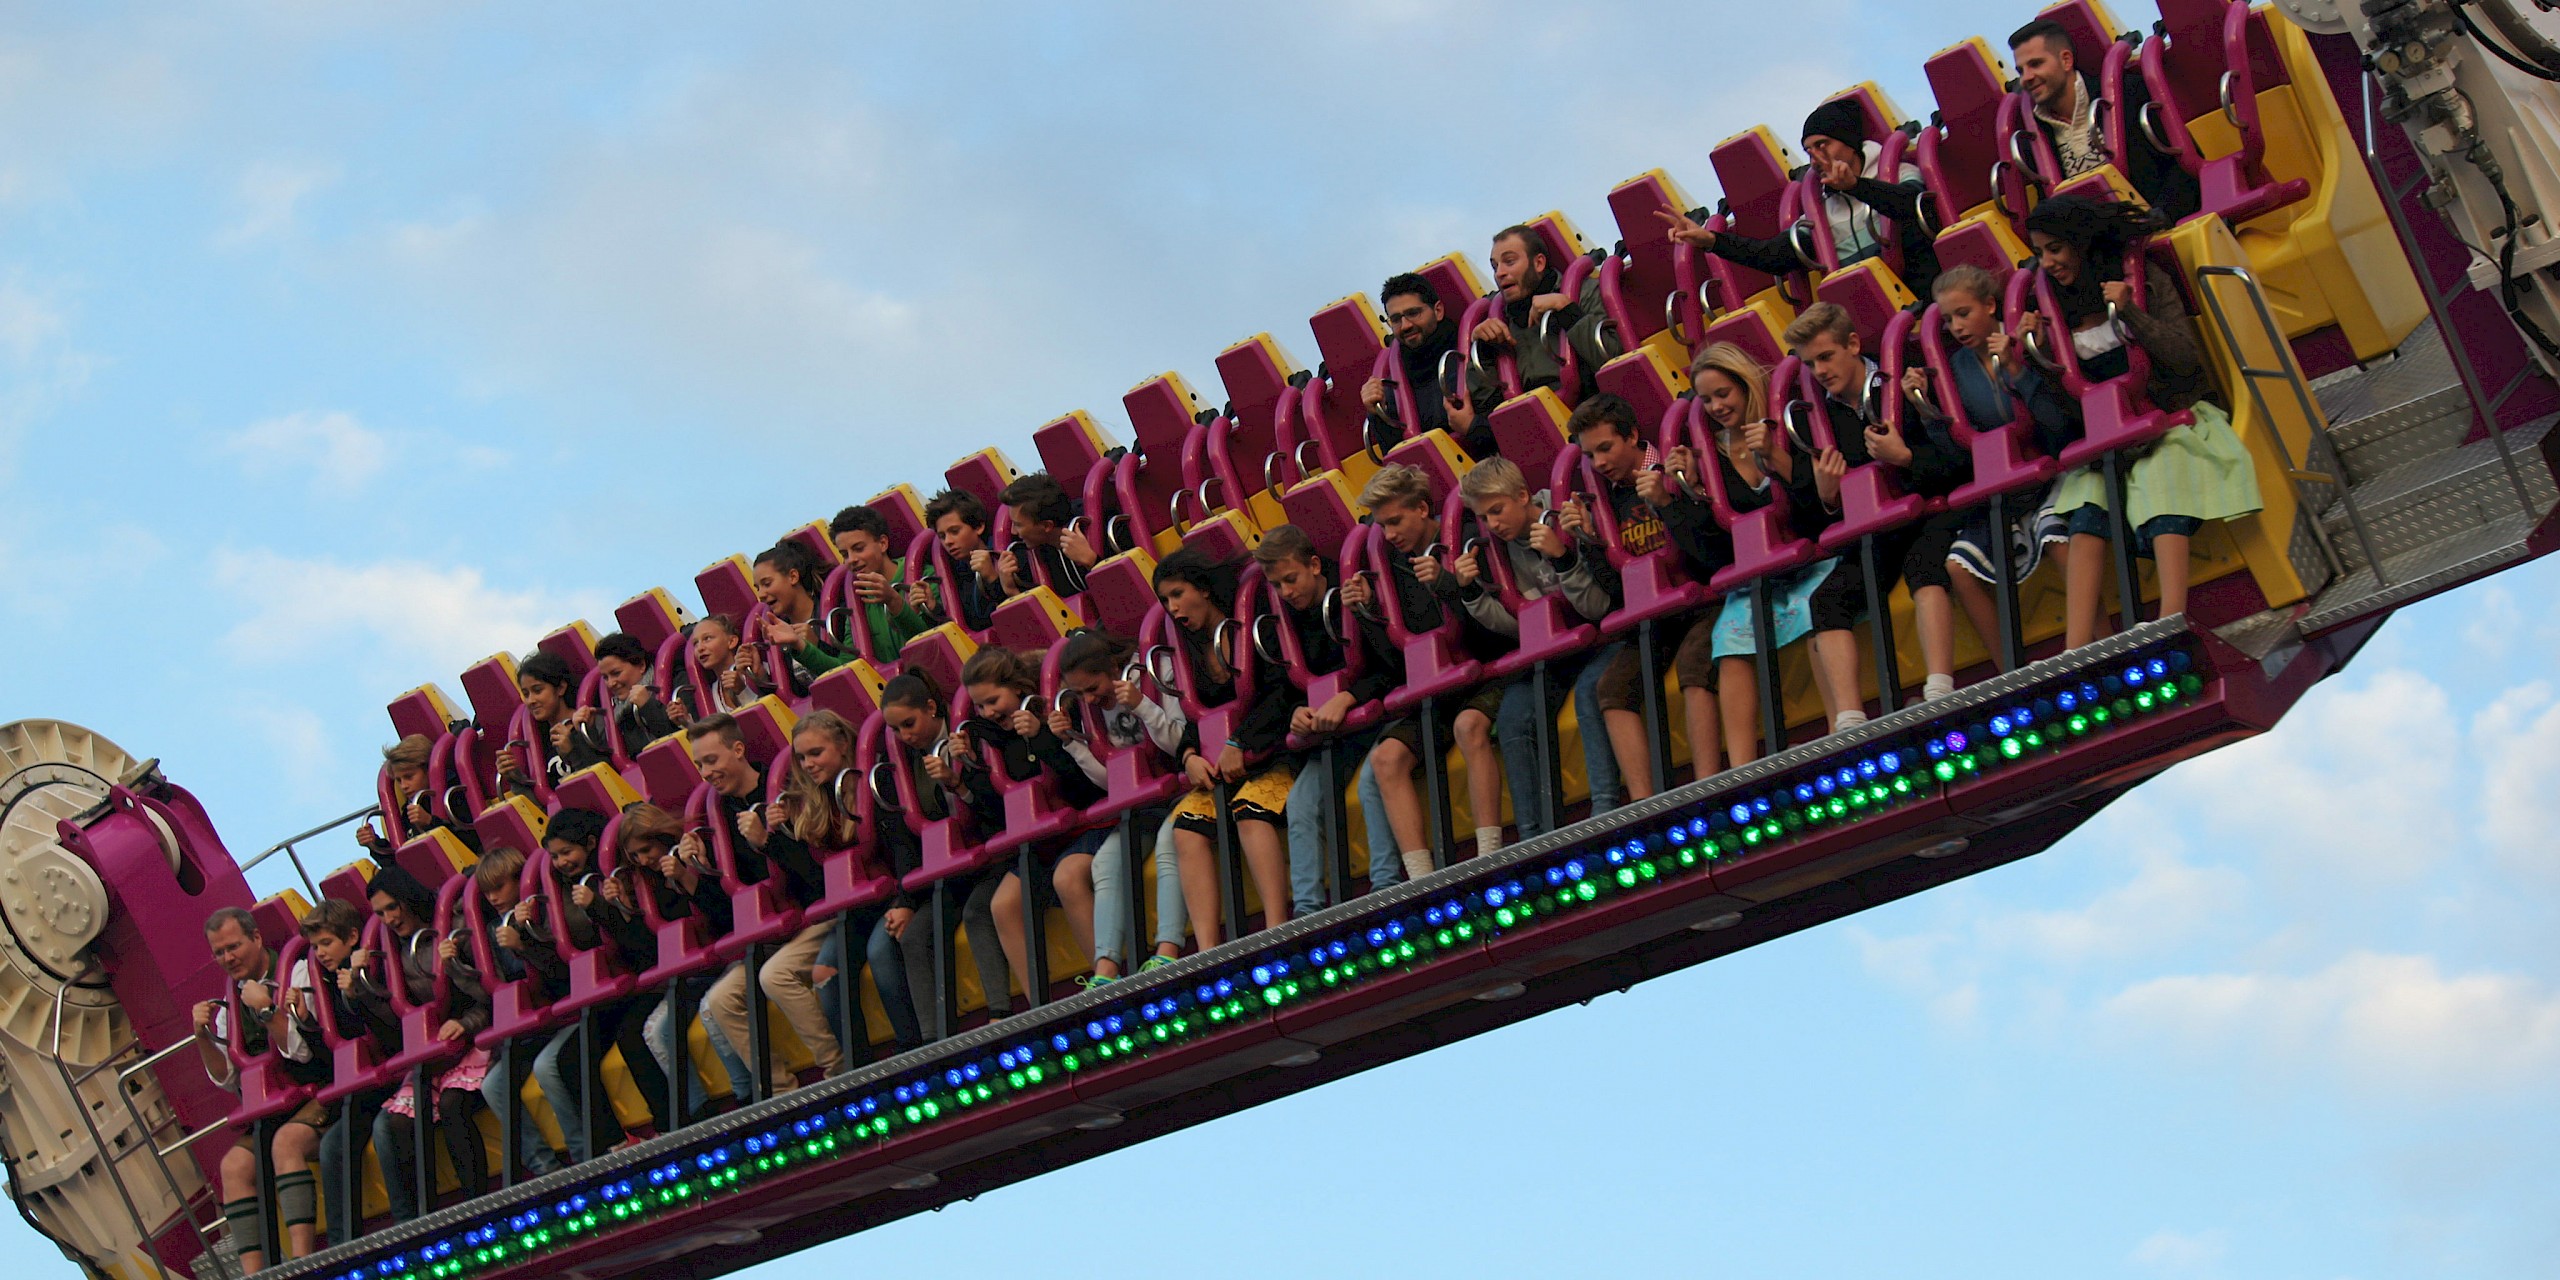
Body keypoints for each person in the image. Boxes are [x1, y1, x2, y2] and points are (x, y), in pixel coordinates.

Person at [2018, 196, 2261, 648]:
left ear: (2082, 243)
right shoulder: (2055, 311)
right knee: (2084, 504)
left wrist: (2131, 312)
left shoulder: (2143, 280)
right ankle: (2078, 646)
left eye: (2056, 249)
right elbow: (2063, 414)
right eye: (2040, 254)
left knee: (2160, 478)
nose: (2048, 263)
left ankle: (2171, 617)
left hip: (2172, 418)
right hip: (2110, 437)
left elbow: (2185, 359)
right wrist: (2035, 356)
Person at [1785, 300, 1976, 709]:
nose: (1820, 371)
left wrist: (1905, 457)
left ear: (1853, 344)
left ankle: (1940, 689)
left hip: (1931, 510)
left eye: (1826, 357)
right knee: (1828, 598)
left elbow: (1958, 462)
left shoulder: (1904, 380)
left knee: (1924, 564)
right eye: (1811, 364)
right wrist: (1827, 495)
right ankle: (1850, 719)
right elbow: (1811, 524)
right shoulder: (1815, 419)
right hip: (1878, 533)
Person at [1676, 343, 1849, 765]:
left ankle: (1840, 732)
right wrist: (1689, 493)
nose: (1717, 406)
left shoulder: (1788, 425)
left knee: (1814, 610)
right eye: (1708, 399)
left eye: (1724, 394)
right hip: (1759, 573)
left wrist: (1774, 456)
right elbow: (1714, 549)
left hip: (1810, 554)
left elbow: (1816, 509)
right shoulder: (1710, 456)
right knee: (1727, 638)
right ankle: (1741, 766)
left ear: (1745, 387)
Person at [1907, 265, 2075, 669]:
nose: (1957, 326)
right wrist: (1925, 410)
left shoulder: (2027, 339)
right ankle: (2010, 670)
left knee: (2054, 533)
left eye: (1964, 313)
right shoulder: (1956, 370)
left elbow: (2061, 425)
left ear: (1990, 304)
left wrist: (2018, 371)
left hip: (2052, 467)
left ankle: (2099, 642)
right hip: (2006, 487)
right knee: (1956, 565)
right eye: (1948, 320)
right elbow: (1962, 456)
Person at [1567, 392, 1736, 792]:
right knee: (1611, 687)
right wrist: (1590, 544)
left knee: (1695, 662)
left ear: (1632, 436)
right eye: (1591, 456)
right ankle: (1647, 802)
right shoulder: (1604, 499)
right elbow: (1617, 594)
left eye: (1606, 448)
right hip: (1656, 615)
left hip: (1704, 597)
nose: (1601, 463)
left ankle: (1709, 785)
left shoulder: (1678, 465)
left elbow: (1713, 553)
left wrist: (1666, 503)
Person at [1452, 457, 1623, 840]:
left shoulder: (1567, 513)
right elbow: (1520, 626)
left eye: (1497, 510)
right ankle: (1534, 838)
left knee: (1589, 694)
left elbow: (1598, 607)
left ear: (1524, 496)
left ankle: (1606, 812)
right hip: (1556, 653)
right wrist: (1471, 594)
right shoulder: (1500, 547)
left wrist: (1563, 559)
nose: (1493, 524)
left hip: (1604, 638)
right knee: (1513, 718)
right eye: (1484, 517)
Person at [1350, 464, 1508, 877]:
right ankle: (1421, 878)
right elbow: (1399, 661)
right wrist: (1370, 613)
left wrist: (1447, 584)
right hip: (1438, 689)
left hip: (1488, 669)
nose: (1388, 534)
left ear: (1423, 508)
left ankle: (1490, 855)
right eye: (1382, 526)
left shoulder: (1465, 538)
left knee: (1470, 726)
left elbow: (1490, 630)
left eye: (1395, 521)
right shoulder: (1392, 566)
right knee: (1386, 759)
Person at [690, 713, 841, 1095]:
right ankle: (782, 1094)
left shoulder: (784, 788)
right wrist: (694, 876)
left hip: (815, 915)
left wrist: (768, 841)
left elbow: (817, 876)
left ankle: (839, 1070)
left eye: (711, 760)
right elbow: (729, 911)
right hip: (771, 931)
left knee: (775, 975)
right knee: (722, 1001)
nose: (706, 772)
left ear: (738, 750)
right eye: (698, 765)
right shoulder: (718, 815)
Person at [1155, 548, 1299, 946]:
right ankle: (1207, 949)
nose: (1173, 607)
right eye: (1166, 601)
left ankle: (1276, 929)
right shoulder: (1191, 653)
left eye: (1178, 594)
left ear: (1203, 589)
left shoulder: (1253, 628)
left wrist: (1241, 742)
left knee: (1250, 809)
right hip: (1224, 769)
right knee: (1185, 828)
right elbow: (1193, 718)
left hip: (1274, 755)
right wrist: (1188, 757)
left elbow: (1282, 693)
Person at [1255, 523, 1400, 918]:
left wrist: (1350, 697)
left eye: (1291, 579)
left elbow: (1392, 665)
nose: (1287, 592)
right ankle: (1306, 913)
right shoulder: (1282, 623)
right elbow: (1281, 690)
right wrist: (1295, 715)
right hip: (1331, 735)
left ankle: (1386, 887)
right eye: (1278, 585)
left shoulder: (1349, 593)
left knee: (1372, 781)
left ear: (1315, 565)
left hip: (1380, 715)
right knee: (1301, 802)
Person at [1656, 99, 1938, 298]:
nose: (1815, 156)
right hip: (1867, 313)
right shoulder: (1821, 212)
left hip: (1923, 296)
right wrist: (1711, 240)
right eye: (1808, 149)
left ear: (1850, 143)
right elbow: (1772, 256)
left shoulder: (1898, 173)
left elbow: (1909, 206)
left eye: (1822, 144)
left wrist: (1856, 186)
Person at [951, 646, 1107, 998]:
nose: (989, 713)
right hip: (1041, 842)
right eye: (980, 707)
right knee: (1002, 904)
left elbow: (1079, 784)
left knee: (1068, 877)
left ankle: (1106, 980)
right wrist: (966, 775)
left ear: (1018, 689)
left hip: (1083, 825)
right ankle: (1040, 1004)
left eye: (994, 701)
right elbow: (998, 811)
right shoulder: (991, 738)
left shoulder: (1052, 712)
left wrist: (1041, 736)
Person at [349, 865, 495, 1223]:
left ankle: (480, 1209)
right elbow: (394, 1024)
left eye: (393, 907)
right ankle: (426, 1221)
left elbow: (489, 993)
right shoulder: (392, 952)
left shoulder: (453, 924)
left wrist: (464, 1023)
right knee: (399, 1122)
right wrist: (359, 991)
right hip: (436, 1055)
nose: (390, 918)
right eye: (381, 913)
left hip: (476, 1036)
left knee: (452, 1102)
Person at [778, 710, 926, 1053]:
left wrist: (905, 901)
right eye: (802, 758)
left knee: (880, 951)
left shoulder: (873, 783)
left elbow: (904, 848)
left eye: (816, 753)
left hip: (894, 896)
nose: (809, 764)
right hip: (856, 910)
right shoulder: (813, 803)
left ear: (844, 745)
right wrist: (776, 841)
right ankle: (858, 1068)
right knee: (823, 972)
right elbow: (818, 880)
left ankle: (913, 1049)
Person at [191, 906, 330, 1271]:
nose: (228, 958)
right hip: (274, 1108)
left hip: (320, 1090)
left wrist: (268, 1011)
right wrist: (202, 1037)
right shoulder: (229, 1004)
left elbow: (302, 1052)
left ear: (256, 938)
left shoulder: (296, 972)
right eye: (220, 952)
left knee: (286, 1142)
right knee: (234, 1166)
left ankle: (303, 1259)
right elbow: (226, 1078)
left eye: (234, 946)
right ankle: (255, 1273)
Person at [528, 808, 673, 1147]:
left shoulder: (619, 875)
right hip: (609, 991)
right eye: (555, 856)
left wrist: (600, 906)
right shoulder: (561, 895)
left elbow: (641, 945)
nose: (562, 862)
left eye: (568, 852)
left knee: (630, 1035)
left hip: (646, 978)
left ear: (591, 844)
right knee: (570, 1059)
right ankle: (614, 1144)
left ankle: (670, 1125)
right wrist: (527, 943)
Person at [1048, 630, 1188, 982]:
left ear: (1113, 667)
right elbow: (1113, 781)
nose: (1090, 699)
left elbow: (1178, 743)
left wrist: (1142, 704)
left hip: (1181, 788)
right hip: (1143, 805)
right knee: (1106, 862)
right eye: (1080, 694)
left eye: (1093, 688)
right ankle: (1106, 970)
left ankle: (1168, 950)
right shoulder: (1094, 711)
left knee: (1172, 842)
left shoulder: (1151, 672)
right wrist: (1071, 743)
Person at [883, 671, 1022, 1020]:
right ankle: (934, 1043)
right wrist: (906, 899)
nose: (905, 735)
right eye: (897, 730)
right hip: (952, 870)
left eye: (909, 723)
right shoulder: (905, 764)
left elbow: (999, 809)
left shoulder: (970, 734)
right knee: (913, 937)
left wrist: (959, 783)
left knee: (979, 911)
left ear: (932, 707)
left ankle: (1001, 1016)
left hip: (995, 855)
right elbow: (906, 841)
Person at [614, 804, 753, 1120]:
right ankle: (699, 1112)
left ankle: (747, 1093)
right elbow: (648, 949)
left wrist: (687, 878)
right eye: (634, 856)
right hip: (691, 972)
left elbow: (727, 914)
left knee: (711, 1010)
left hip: (727, 955)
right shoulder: (644, 885)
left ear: (662, 837)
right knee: (654, 1030)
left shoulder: (695, 851)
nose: (643, 860)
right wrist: (619, 910)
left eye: (646, 850)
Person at [2010, 18, 2202, 224]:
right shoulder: (2034, 141)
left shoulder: (2128, 95)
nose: (2026, 78)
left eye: (2036, 64)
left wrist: (2162, 215)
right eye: (2021, 71)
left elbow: (2184, 165)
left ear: (2066, 60)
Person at [466, 848, 579, 1175]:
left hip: (566, 1012)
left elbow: (561, 972)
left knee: (548, 1067)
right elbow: (491, 991)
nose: (493, 897)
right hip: (530, 1025)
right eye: (486, 891)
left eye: (499, 886)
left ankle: (584, 1152)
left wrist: (523, 945)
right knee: (493, 1085)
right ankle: (544, 1168)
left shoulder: (545, 908)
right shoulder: (492, 930)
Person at [301, 900, 393, 1249]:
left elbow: (386, 1027)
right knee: (333, 1145)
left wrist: (357, 994)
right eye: (315, 947)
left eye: (326, 943)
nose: (321, 953)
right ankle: (344, 1246)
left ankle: (408, 1225)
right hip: (362, 1086)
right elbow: (333, 1052)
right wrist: (308, 1023)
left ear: (352, 936)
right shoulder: (326, 984)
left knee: (384, 1130)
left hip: (389, 1075)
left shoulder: (376, 965)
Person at [1362, 272, 1499, 459]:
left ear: (1438, 310)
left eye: (1413, 313)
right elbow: (1399, 459)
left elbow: (1515, 429)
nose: (1405, 325)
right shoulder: (1393, 385)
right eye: (1395, 319)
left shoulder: (1474, 352)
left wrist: (1472, 427)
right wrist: (1377, 413)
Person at [1468, 225, 1613, 395]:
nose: (1499, 273)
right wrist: (1481, 353)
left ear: (1538, 263)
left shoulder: (1584, 292)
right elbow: (1485, 406)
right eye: (1494, 266)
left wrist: (1568, 312)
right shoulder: (1501, 324)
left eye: (1509, 262)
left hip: (1596, 407)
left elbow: (1614, 357)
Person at [829, 505, 935, 660]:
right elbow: (848, 666)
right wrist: (802, 647)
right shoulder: (857, 599)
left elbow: (930, 645)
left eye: (858, 549)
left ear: (883, 543)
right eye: (844, 554)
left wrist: (893, 600)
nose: (851, 559)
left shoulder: (923, 576)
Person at [752, 541, 858, 689]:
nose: (761, 595)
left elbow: (852, 670)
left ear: (793, 576)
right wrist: (760, 677)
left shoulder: (838, 614)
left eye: (767, 584)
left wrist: (816, 644)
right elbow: (797, 697)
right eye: (757, 588)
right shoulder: (778, 632)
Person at [356, 734, 479, 857]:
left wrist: (430, 822)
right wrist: (375, 844)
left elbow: (475, 842)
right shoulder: (409, 811)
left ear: (428, 770)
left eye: (409, 777)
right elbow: (406, 863)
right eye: (399, 780)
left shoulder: (456, 793)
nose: (404, 786)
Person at [496, 651, 593, 794]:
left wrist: (572, 753)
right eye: (526, 694)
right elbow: (542, 807)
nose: (531, 700)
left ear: (560, 688)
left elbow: (604, 778)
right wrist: (515, 778)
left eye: (538, 690)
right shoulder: (536, 744)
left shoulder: (587, 722)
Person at [994, 473, 1100, 598]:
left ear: (1046, 526)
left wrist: (1092, 561)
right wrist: (1011, 590)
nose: (1013, 532)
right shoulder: (1027, 559)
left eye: (1018, 525)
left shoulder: (1104, 531)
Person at [912, 488, 1001, 632]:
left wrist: (992, 579)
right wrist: (934, 609)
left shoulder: (1006, 554)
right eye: (942, 536)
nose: (948, 541)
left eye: (954, 531)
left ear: (978, 526)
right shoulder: (952, 576)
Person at [590, 632, 682, 756]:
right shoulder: (617, 713)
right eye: (605, 677)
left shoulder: (675, 684)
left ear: (641, 665)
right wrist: (590, 731)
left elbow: (689, 739)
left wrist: (648, 706)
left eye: (616, 673)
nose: (610, 683)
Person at [683, 613, 766, 717]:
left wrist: (742, 691)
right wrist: (685, 721)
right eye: (695, 643)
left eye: (707, 638)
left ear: (731, 641)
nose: (700, 648)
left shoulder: (756, 669)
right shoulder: (713, 693)